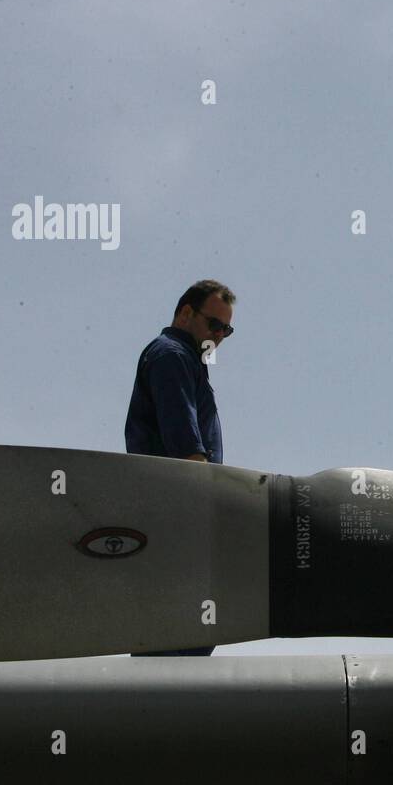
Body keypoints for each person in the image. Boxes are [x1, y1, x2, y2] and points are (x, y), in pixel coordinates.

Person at [124, 279, 236, 656]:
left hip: (174, 515)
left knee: (181, 639)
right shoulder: (171, 354)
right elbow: (184, 441)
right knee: (178, 642)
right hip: (176, 512)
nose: (218, 336)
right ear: (185, 313)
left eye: (226, 330)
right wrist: (206, 506)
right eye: (213, 324)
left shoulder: (188, 361)